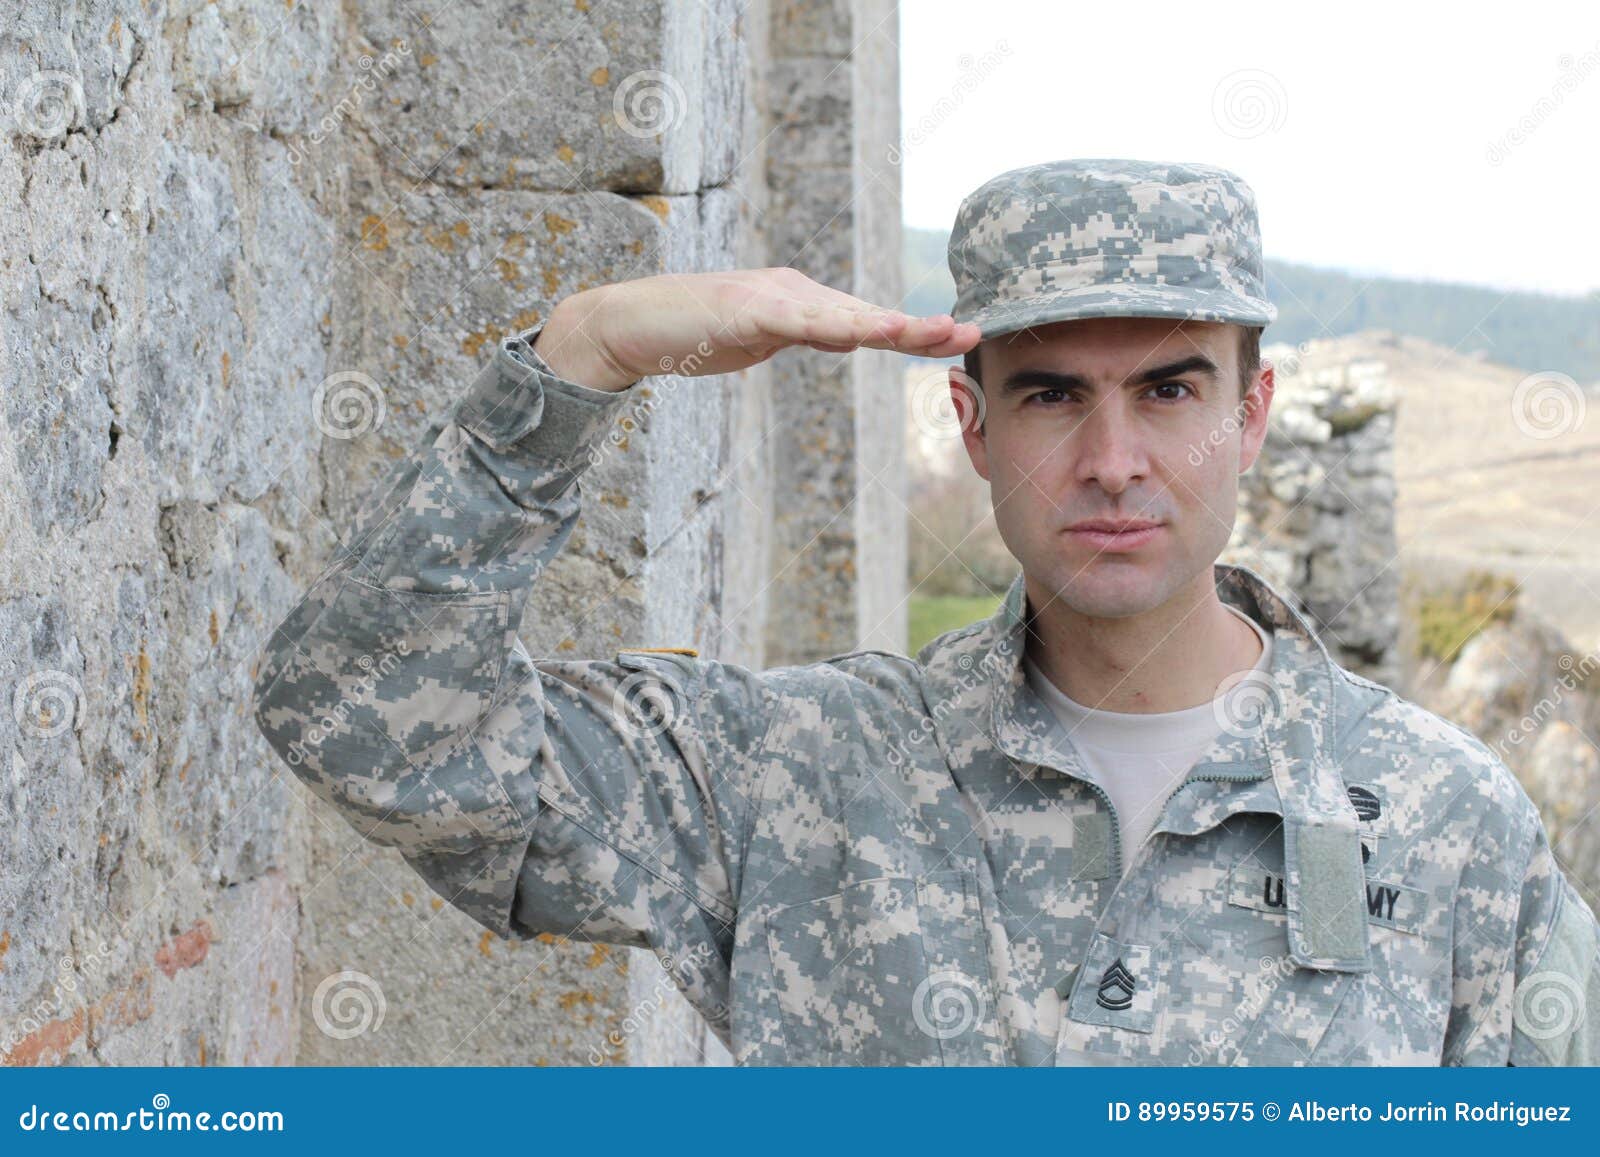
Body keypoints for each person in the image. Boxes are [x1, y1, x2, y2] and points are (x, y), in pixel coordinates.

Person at [252, 158, 1599, 1065]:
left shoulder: (1450, 827)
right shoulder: (801, 774)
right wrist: (584, 355)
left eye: (1172, 390)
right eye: (1052, 392)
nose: (1114, 459)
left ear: (1253, 414)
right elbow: (365, 722)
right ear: (972, 421)